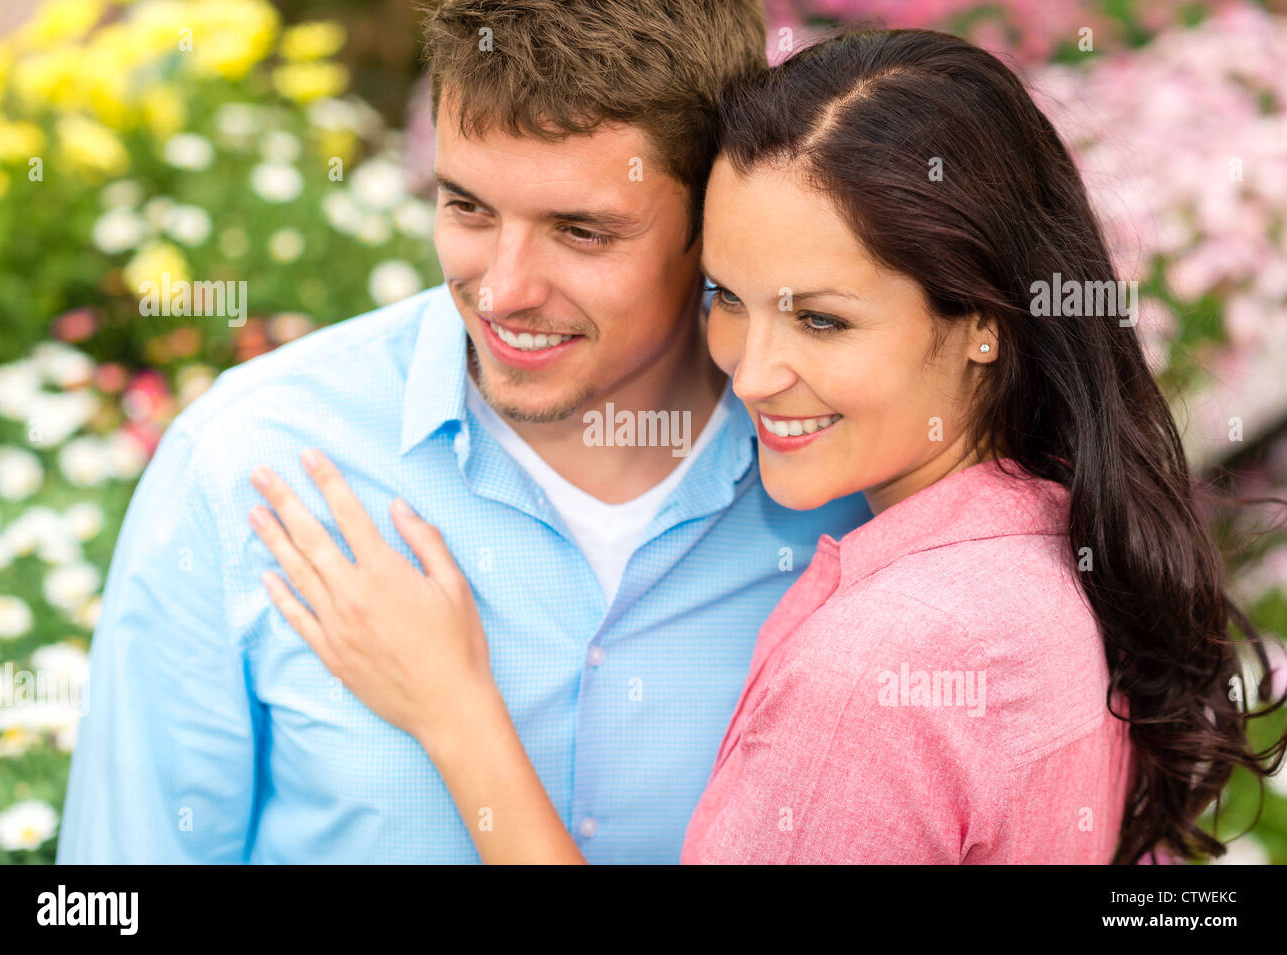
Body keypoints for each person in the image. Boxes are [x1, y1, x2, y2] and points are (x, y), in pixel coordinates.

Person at [247, 28, 1287, 864]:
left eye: (822, 320)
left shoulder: (879, 667)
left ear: (985, 322)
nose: (748, 371)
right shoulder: (1057, 542)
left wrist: (455, 715)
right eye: (725, 299)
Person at [56, 0, 871, 864]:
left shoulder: (849, 483)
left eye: (582, 231)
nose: (503, 291)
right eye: (469, 208)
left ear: (712, 221)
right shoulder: (243, 464)